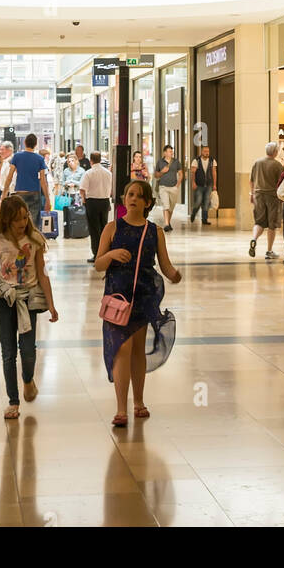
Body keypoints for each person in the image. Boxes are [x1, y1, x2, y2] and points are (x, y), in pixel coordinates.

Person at [94, 180, 180, 428]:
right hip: (118, 296)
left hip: (143, 296)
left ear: (147, 203)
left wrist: (174, 275)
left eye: (139, 196)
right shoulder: (112, 229)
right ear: (123, 199)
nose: (133, 198)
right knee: (122, 348)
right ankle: (122, 408)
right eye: (129, 194)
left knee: (137, 347)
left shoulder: (155, 232)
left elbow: (164, 265)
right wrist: (110, 255)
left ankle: (139, 401)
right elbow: (99, 264)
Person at [0, 193, 58, 419]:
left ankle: (28, 379)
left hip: (29, 301)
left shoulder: (34, 239)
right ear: (6, 220)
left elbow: (43, 274)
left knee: (27, 349)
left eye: (25, 218)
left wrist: (52, 305)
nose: (22, 223)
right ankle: (13, 401)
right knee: (8, 352)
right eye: (17, 219)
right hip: (6, 300)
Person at [248, 141, 283, 261]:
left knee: (259, 222)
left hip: (258, 195)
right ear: (275, 152)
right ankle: (269, 250)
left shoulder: (257, 163)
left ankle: (254, 239)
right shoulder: (278, 165)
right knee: (272, 224)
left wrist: (251, 193)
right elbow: (281, 183)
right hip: (273, 197)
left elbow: (251, 180)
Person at [10, 132, 50, 225]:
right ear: (35, 144)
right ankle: (31, 238)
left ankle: (22, 238)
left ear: (25, 143)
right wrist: (47, 199)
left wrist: (4, 194)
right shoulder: (40, 159)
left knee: (19, 221)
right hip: (34, 193)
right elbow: (43, 181)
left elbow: (10, 176)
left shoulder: (17, 156)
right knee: (33, 223)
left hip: (20, 192)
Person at [80, 151, 112, 263]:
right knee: (104, 228)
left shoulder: (88, 173)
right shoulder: (108, 173)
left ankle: (96, 254)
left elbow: (82, 189)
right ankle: (105, 252)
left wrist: (83, 200)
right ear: (100, 160)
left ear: (91, 160)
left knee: (94, 230)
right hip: (105, 201)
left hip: (92, 202)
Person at [153, 144, 183, 232]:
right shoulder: (160, 162)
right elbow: (156, 175)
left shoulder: (176, 162)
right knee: (166, 205)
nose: (171, 153)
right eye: (170, 151)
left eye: (172, 151)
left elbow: (181, 173)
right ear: (165, 153)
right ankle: (166, 224)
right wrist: (162, 171)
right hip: (163, 187)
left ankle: (168, 222)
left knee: (171, 207)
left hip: (173, 187)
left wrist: (178, 184)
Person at [189, 145, 217, 225]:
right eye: (205, 151)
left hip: (209, 185)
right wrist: (193, 182)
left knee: (206, 202)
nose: (206, 153)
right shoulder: (196, 160)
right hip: (199, 185)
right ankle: (193, 213)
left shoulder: (212, 161)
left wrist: (214, 184)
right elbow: (193, 173)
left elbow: (214, 173)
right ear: (201, 152)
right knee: (198, 201)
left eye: (208, 151)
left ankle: (204, 219)